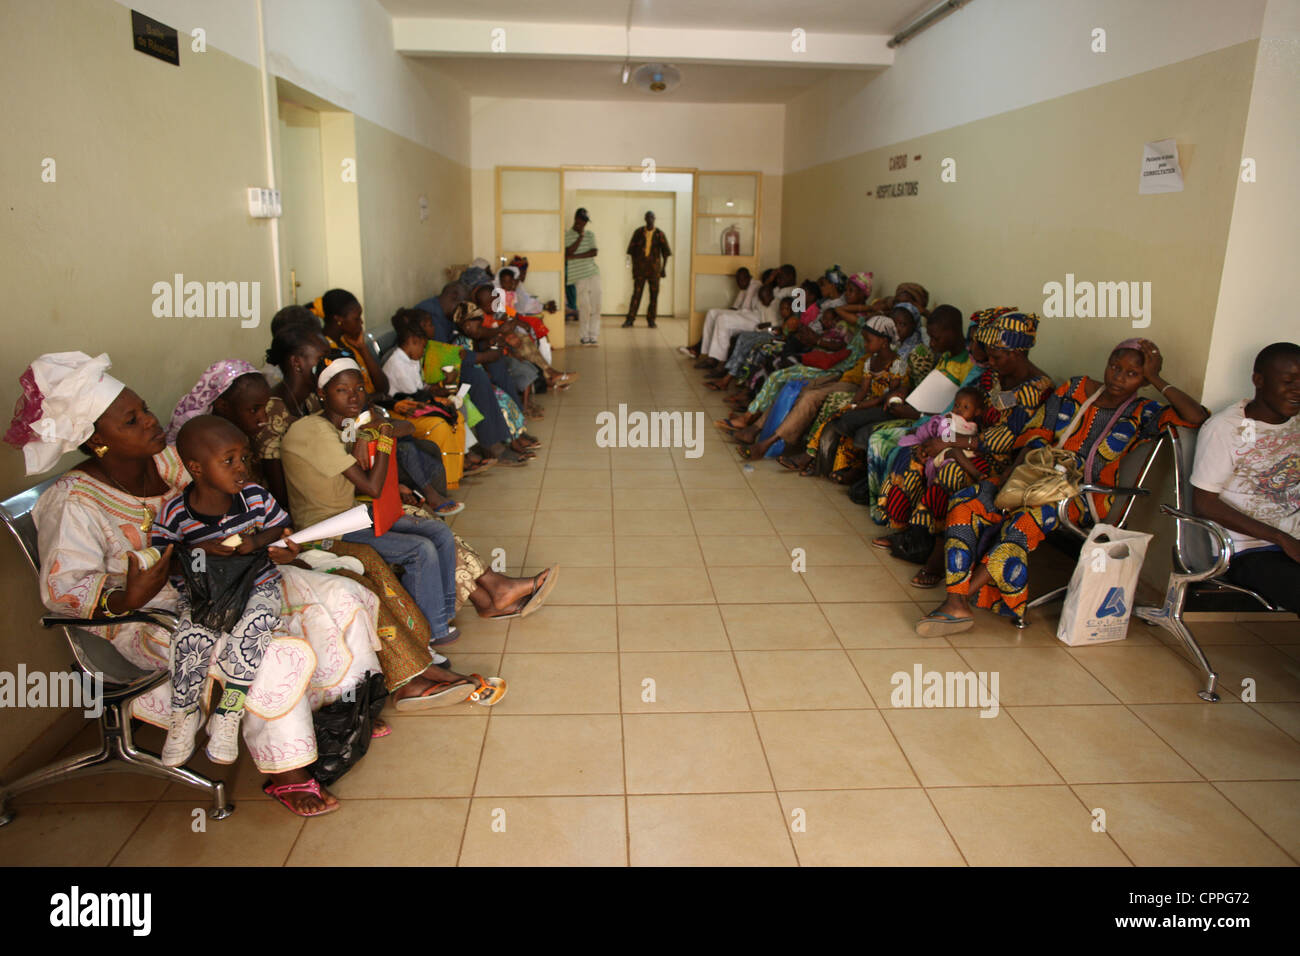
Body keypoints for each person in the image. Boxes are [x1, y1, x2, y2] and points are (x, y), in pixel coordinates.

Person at [10, 352, 380, 817]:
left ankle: (342, 714)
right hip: (145, 614)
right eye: (132, 419)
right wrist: (131, 593)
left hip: (228, 579)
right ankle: (287, 770)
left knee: (339, 593)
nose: (150, 421)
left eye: (143, 408)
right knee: (268, 649)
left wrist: (269, 541)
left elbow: (238, 501)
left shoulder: (172, 463)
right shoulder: (73, 502)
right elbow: (64, 591)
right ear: (98, 441)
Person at [916, 338, 1209, 635]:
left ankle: (958, 602)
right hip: (1030, 477)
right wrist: (1011, 477)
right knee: (965, 502)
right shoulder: (1075, 389)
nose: (1119, 377)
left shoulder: (1144, 412)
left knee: (1021, 524)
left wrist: (1156, 378)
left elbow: (1197, 417)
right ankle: (956, 599)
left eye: (1133, 374)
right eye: (1115, 367)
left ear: (1145, 378)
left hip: (1080, 497)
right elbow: (1036, 432)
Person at [152, 416, 298, 766]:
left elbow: (281, 529)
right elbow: (164, 561)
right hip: (206, 593)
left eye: (244, 458)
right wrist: (200, 552)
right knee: (190, 638)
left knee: (256, 628)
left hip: (257, 583)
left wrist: (256, 542)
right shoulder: (175, 513)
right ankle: (185, 714)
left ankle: (228, 712)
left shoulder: (255, 498)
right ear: (197, 468)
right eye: (228, 461)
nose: (241, 469)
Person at [1190, 341, 1300, 613]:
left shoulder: (1296, 425)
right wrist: (1281, 538)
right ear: (1258, 380)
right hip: (1249, 550)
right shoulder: (1225, 429)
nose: (1298, 390)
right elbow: (1204, 503)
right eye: (1288, 381)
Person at [314, 288, 389, 397]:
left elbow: (383, 388)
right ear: (338, 319)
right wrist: (378, 398)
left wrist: (362, 348)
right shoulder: (326, 349)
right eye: (357, 318)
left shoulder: (347, 341)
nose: (361, 322)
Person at [690, 268, 760, 363]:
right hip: (741, 315)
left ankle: (718, 359)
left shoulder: (755, 285)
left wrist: (724, 315)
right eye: (737, 280)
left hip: (754, 320)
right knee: (712, 313)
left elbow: (744, 309)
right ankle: (705, 352)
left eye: (742, 279)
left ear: (749, 277)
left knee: (722, 319)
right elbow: (734, 308)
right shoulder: (743, 289)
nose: (739, 283)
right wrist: (723, 313)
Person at [622, 210, 671, 328]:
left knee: (654, 296)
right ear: (645, 219)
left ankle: (651, 320)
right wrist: (632, 268)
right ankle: (630, 319)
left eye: (652, 217)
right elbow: (631, 252)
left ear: (654, 218)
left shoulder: (660, 234)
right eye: (648, 217)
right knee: (636, 294)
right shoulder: (638, 233)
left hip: (654, 270)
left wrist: (664, 268)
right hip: (640, 270)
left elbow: (666, 253)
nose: (650, 219)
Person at [565, 207, 602, 346]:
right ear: (576, 219)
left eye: (586, 221)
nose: (584, 223)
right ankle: (584, 336)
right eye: (583, 220)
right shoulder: (567, 235)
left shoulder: (590, 235)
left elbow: (594, 252)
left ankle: (594, 335)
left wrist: (574, 256)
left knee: (597, 305)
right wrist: (580, 237)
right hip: (579, 276)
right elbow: (568, 252)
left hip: (593, 273)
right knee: (585, 307)